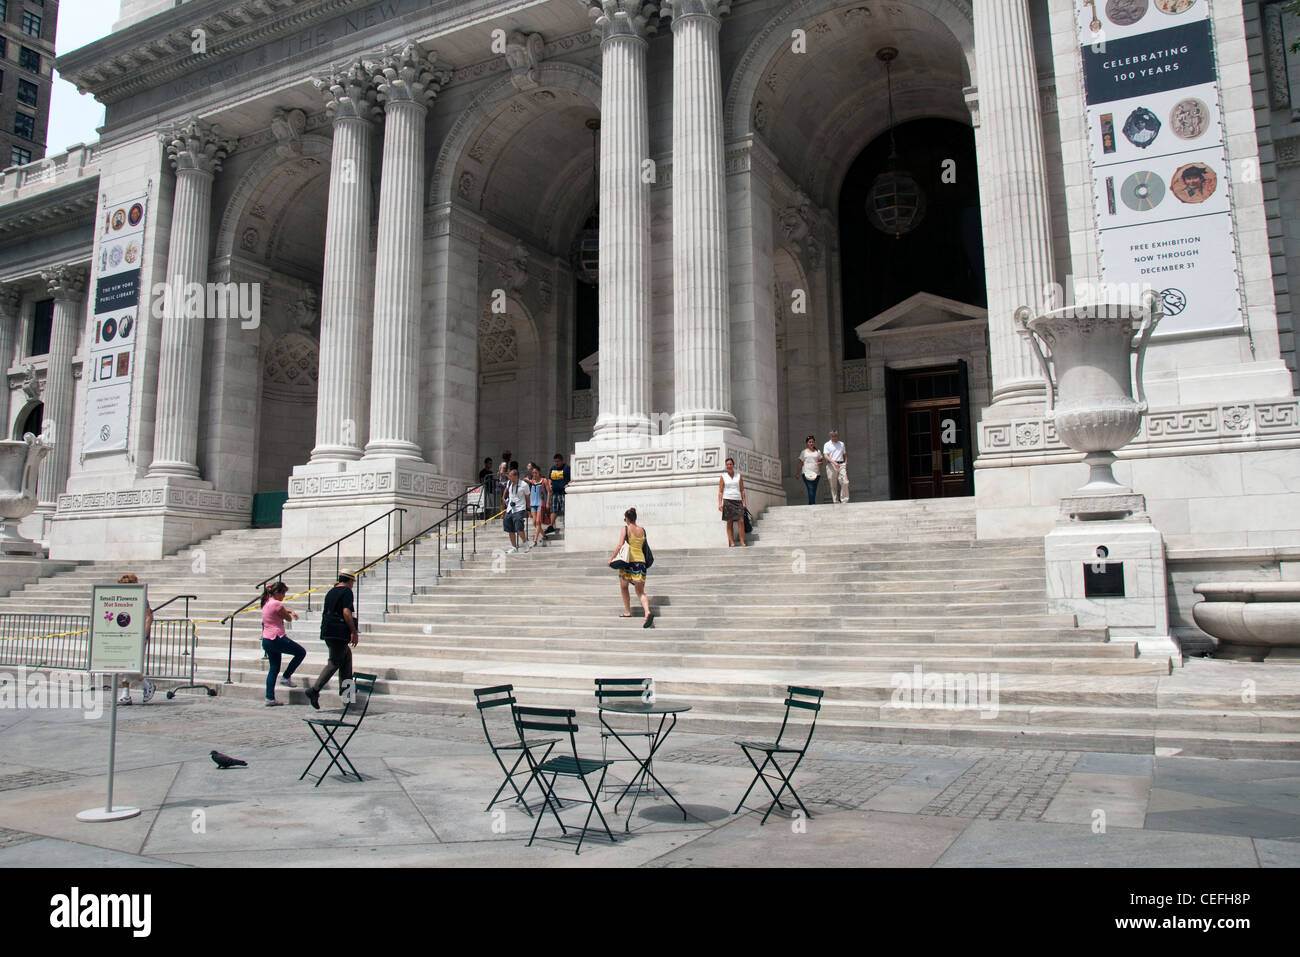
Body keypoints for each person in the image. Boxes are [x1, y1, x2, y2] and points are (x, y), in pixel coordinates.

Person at [305, 570, 358, 710]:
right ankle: (314, 690)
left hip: (328, 630)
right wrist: (353, 631)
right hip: (338, 632)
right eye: (353, 582)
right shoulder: (346, 592)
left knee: (346, 658)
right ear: (350, 580)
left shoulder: (331, 591)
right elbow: (346, 612)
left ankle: (348, 694)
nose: (353, 585)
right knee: (334, 662)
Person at [259, 582, 305, 707]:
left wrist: (288, 610)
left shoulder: (266, 602)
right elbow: (287, 618)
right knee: (301, 652)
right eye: (283, 593)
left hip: (267, 639)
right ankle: (286, 677)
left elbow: (278, 611)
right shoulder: (277, 604)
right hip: (277, 637)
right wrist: (291, 614)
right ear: (277, 592)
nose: (284, 596)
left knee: (273, 669)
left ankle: (270, 697)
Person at [609, 507, 653, 627]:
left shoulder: (626, 529)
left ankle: (628, 611)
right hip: (641, 563)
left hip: (628, 562)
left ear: (627, 519)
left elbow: (619, 546)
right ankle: (647, 612)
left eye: (625, 519)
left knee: (624, 587)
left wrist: (611, 559)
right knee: (640, 591)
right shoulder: (642, 530)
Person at [115, 573, 155, 705]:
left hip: (136, 636)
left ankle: (127, 693)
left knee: (130, 665)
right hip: (125, 635)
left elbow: (149, 617)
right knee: (124, 665)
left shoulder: (140, 597)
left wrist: (143, 636)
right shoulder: (121, 598)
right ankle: (145, 686)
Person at [718, 457, 747, 546]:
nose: (729, 466)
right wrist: (720, 503)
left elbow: (742, 490)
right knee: (729, 521)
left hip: (738, 500)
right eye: (727, 464)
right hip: (727, 500)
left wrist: (744, 502)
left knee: (741, 521)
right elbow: (720, 491)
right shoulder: (723, 477)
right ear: (726, 466)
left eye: (730, 464)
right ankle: (732, 541)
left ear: (733, 465)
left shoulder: (739, 476)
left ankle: (742, 541)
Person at [524, 462, 551, 550]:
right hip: (533, 503)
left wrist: (547, 502)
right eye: (533, 473)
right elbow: (525, 480)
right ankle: (544, 535)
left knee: (538, 521)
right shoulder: (532, 481)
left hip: (540, 502)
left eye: (536, 473)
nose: (534, 474)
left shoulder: (543, 480)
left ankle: (535, 540)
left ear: (539, 472)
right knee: (534, 522)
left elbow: (549, 491)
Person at [502, 467, 530, 553]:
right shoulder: (509, 483)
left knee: (519, 527)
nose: (509, 477)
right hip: (510, 508)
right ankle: (513, 547)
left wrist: (528, 508)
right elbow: (506, 490)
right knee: (509, 528)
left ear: (516, 476)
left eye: (510, 476)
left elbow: (527, 497)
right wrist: (503, 497)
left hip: (519, 508)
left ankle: (525, 543)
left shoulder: (524, 485)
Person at [545, 453, 570, 535]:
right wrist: (550, 485)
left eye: (558, 461)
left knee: (565, 509)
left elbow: (572, 478)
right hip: (555, 492)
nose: (556, 463)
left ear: (562, 461)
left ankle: (568, 524)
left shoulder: (566, 468)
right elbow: (549, 479)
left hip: (563, 492)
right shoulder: (553, 468)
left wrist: (568, 484)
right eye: (555, 461)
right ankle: (551, 525)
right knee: (554, 509)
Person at [824, 429, 849, 503]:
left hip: (841, 464)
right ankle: (835, 501)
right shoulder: (827, 444)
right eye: (832, 436)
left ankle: (844, 500)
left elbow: (844, 454)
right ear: (830, 436)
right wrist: (834, 462)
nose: (834, 437)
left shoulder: (841, 444)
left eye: (835, 436)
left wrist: (845, 463)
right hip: (831, 465)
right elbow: (826, 455)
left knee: (845, 482)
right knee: (833, 484)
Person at [798, 434, 823, 505]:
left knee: (814, 490)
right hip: (806, 473)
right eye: (809, 442)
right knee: (810, 488)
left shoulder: (818, 451)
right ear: (807, 443)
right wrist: (797, 473)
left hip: (816, 473)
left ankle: (810, 503)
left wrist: (820, 463)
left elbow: (821, 460)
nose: (811, 443)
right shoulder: (804, 452)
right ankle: (812, 504)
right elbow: (800, 463)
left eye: (812, 442)